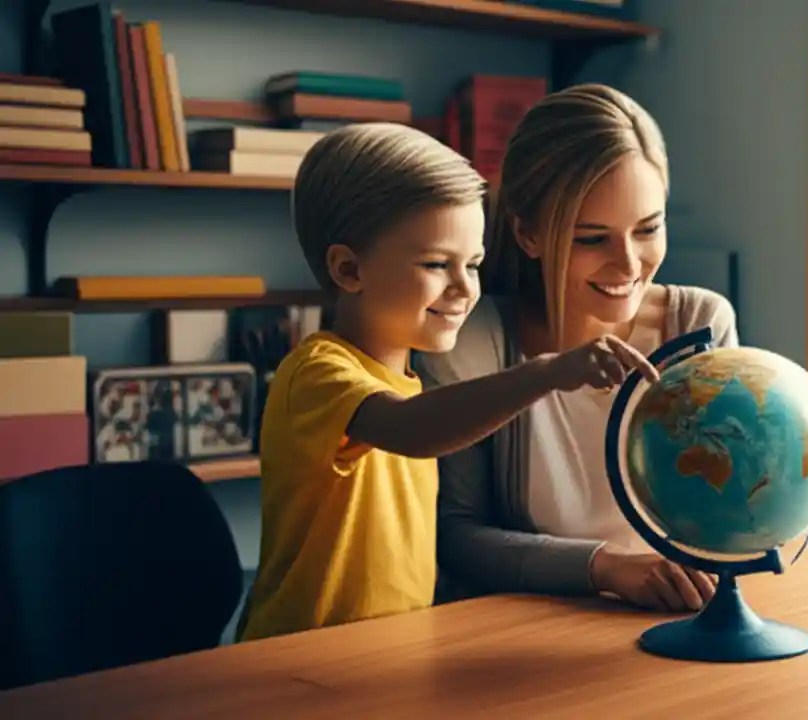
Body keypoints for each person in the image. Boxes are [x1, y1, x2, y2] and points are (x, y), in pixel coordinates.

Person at [236, 122, 659, 642]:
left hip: (386, 663)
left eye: (474, 264)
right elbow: (410, 429)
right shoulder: (318, 373)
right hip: (298, 664)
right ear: (348, 270)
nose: (464, 289)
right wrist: (547, 370)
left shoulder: (410, 378)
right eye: (437, 264)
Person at [417, 84, 742, 613]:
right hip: (521, 642)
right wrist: (606, 568)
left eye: (648, 229)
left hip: (676, 624)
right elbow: (455, 538)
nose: (630, 264)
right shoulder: (472, 342)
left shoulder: (700, 324)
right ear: (528, 234)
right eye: (592, 238)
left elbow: (730, 504)